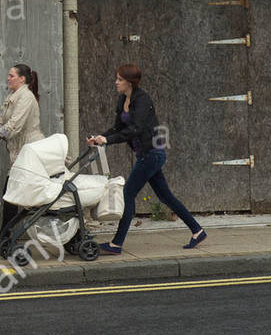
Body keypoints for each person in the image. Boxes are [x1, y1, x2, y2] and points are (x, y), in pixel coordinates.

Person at [87, 64, 206, 254]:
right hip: (145, 155)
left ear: (130, 82)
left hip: (152, 154)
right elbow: (118, 128)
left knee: (127, 195)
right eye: (116, 78)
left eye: (120, 79)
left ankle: (116, 244)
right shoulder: (122, 100)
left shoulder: (143, 100)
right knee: (165, 196)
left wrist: (108, 140)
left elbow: (136, 129)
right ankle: (197, 230)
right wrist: (100, 138)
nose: (116, 82)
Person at [0, 63, 45, 246]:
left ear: (22, 79)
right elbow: (2, 120)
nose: (8, 78)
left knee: (12, 193)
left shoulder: (26, 98)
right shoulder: (14, 96)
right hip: (18, 152)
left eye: (11, 75)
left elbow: (14, 125)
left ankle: (5, 237)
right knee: (12, 194)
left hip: (29, 150)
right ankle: (5, 236)